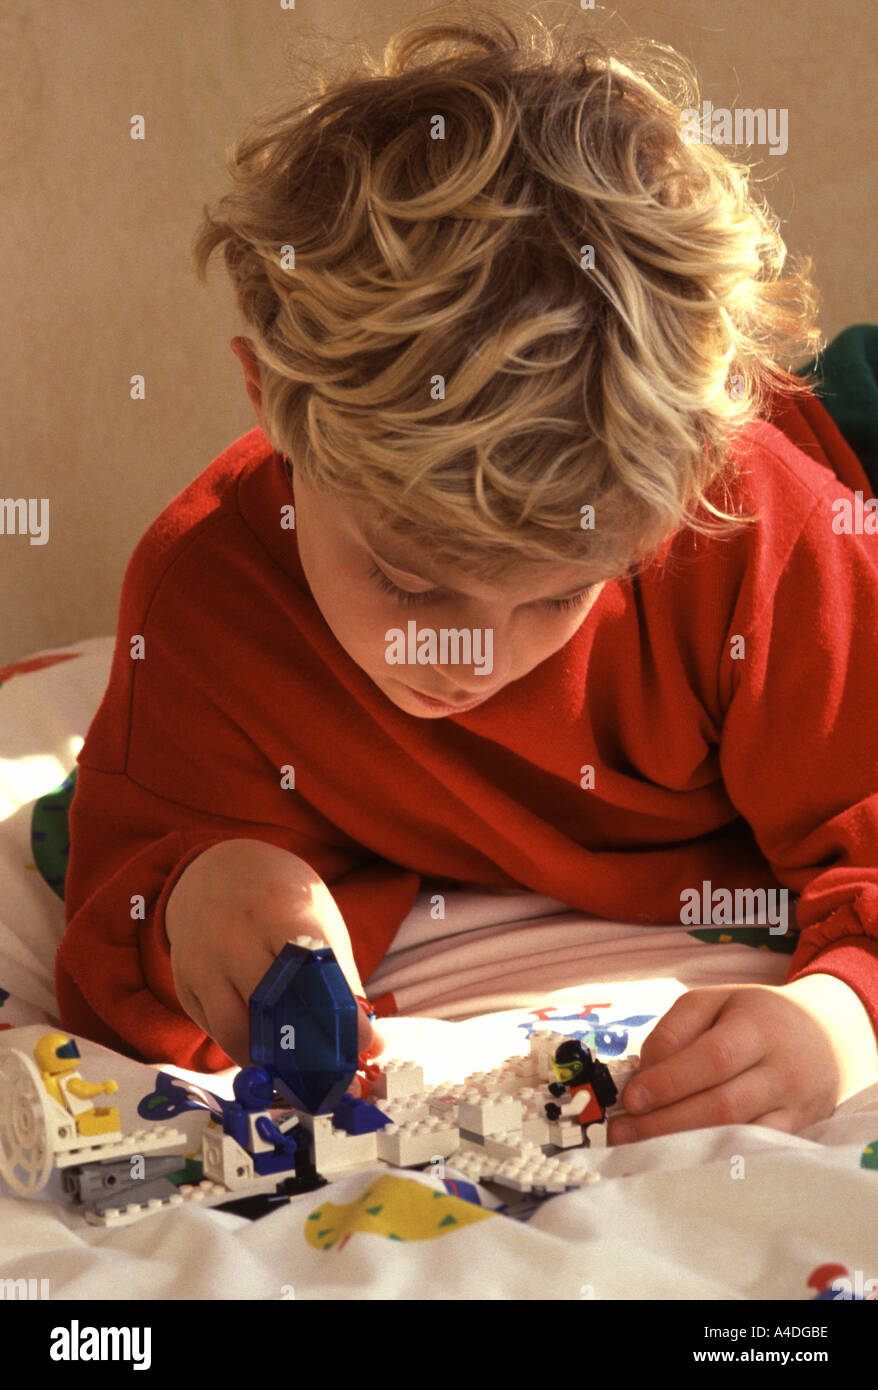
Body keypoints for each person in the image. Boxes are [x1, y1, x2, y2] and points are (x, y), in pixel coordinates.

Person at [56, 6, 878, 1144]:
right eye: (407, 580)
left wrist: (840, 1021)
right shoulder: (208, 601)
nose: (468, 659)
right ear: (271, 404)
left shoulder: (745, 529)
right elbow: (117, 913)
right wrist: (199, 894)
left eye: (553, 597)